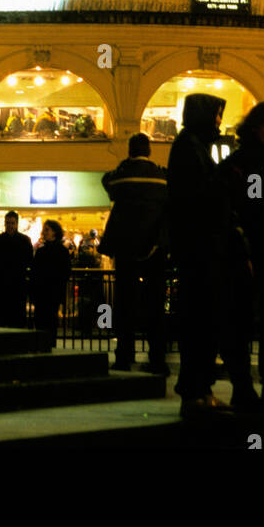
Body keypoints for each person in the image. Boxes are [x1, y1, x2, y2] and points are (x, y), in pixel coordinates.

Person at [167, 92, 256, 421]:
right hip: (201, 250)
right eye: (216, 115)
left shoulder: (192, 146)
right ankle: (196, 392)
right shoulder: (189, 148)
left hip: (202, 249)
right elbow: (198, 197)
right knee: (201, 323)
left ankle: (199, 391)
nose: (219, 122)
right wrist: (224, 179)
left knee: (203, 324)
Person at [219, 102, 264, 407]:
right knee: (243, 322)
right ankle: (244, 387)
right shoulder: (247, 164)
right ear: (255, 129)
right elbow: (250, 211)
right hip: (253, 254)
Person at [100, 132, 169, 373]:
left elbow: (106, 181)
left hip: (126, 247)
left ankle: (124, 355)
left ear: (129, 150)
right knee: (155, 306)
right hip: (154, 248)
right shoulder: (162, 176)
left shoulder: (121, 176)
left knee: (124, 304)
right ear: (149, 150)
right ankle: (158, 358)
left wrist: (123, 165)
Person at [0, 210, 33, 326]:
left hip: (2, 284)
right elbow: (29, 261)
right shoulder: (24, 240)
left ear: (16, 224)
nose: (10, 226)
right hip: (16, 283)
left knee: (0, 316)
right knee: (16, 317)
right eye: (8, 223)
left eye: (12, 223)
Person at [30, 220, 71, 345]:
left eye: (47, 229)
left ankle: (42, 345)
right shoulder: (62, 251)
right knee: (50, 321)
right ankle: (49, 345)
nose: (44, 232)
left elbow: (35, 271)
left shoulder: (42, 251)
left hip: (44, 292)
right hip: (52, 292)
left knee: (42, 321)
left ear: (54, 232)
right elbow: (65, 272)